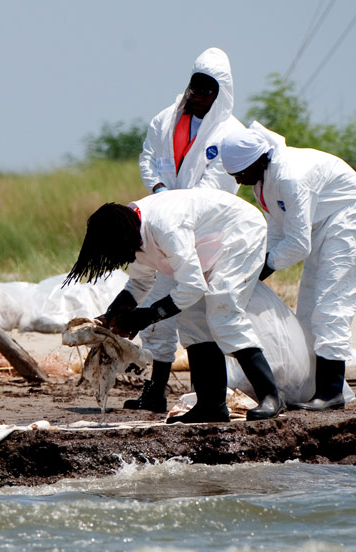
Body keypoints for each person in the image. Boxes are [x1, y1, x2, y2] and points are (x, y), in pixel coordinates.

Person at [64, 188, 286, 423]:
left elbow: (192, 287)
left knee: (223, 309)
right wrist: (110, 317)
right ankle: (211, 405)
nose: (127, 259)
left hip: (240, 232)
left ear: (128, 239)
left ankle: (271, 396)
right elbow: (139, 283)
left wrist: (146, 316)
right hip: (206, 244)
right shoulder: (131, 231)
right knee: (191, 319)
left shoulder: (165, 228)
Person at [220, 123, 356, 411]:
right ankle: (315, 387)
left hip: (347, 220)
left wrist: (260, 270)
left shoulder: (290, 177)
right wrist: (255, 265)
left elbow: (297, 244)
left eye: (241, 173)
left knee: (331, 305)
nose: (240, 181)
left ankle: (331, 393)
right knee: (307, 310)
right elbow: (279, 233)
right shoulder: (262, 183)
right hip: (320, 225)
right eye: (235, 176)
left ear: (257, 160)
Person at [129, 47, 246, 413]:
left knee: (199, 315)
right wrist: (160, 193)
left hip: (207, 235)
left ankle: (206, 397)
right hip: (167, 227)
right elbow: (149, 158)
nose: (197, 96)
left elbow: (217, 189)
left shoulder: (231, 134)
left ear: (220, 93)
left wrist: (179, 210)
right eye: (194, 88)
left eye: (206, 91)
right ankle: (157, 391)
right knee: (160, 313)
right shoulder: (164, 121)